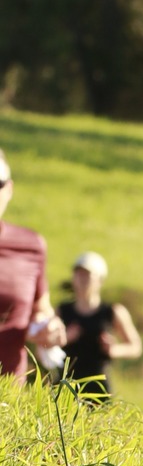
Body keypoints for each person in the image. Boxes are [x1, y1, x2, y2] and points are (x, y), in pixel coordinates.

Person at [0, 150, 57, 378]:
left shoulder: (31, 245)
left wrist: (48, 327)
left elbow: (40, 309)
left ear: (10, 189)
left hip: (7, 399)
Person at [55, 253, 142, 398]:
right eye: (78, 274)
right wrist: (63, 338)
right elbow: (44, 348)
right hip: (65, 386)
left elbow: (136, 347)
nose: (82, 280)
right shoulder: (61, 311)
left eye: (87, 275)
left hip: (99, 390)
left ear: (100, 280)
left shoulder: (113, 312)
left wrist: (114, 349)